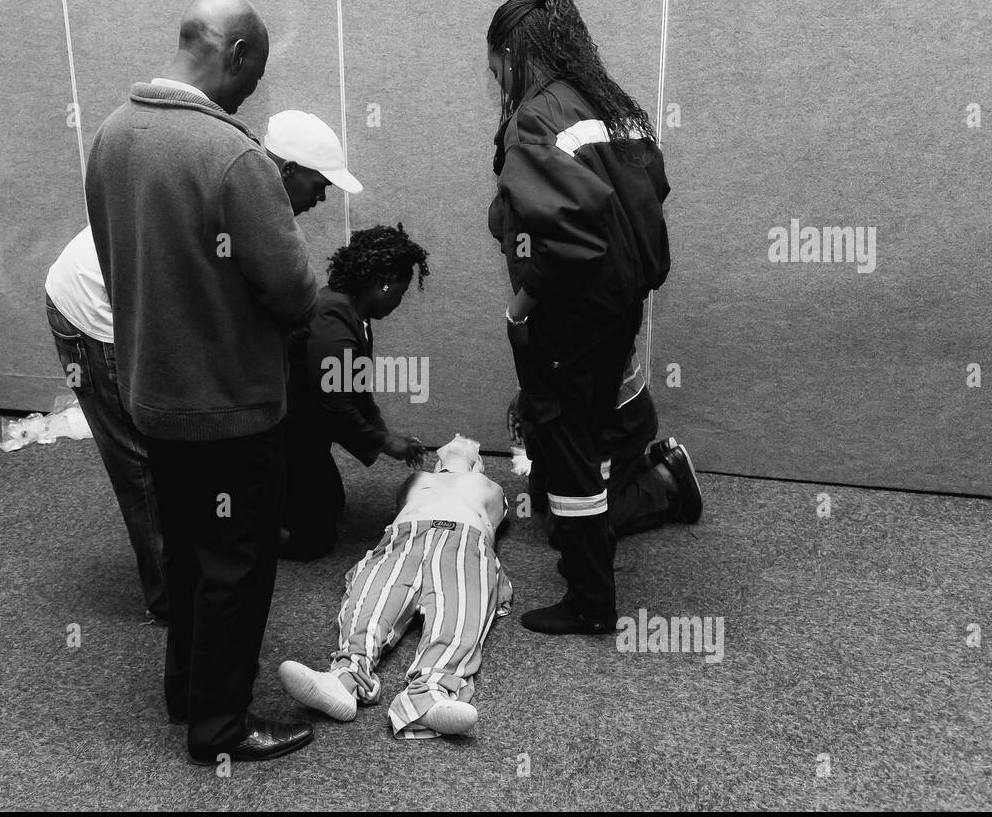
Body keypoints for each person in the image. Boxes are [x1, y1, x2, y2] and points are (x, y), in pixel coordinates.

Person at [85, 0, 321, 764]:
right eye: (254, 76)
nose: (253, 93)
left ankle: (186, 687)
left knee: (188, 551)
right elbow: (292, 291)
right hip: (231, 408)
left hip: (152, 395)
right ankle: (219, 726)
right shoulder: (232, 155)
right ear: (237, 53)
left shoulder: (113, 136)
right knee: (237, 568)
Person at [44, 109, 358, 626]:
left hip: (137, 302)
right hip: (93, 313)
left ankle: (193, 586)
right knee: (143, 461)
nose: (321, 198)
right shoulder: (241, 184)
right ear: (286, 171)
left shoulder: (243, 190)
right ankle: (173, 603)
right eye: (319, 184)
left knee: (178, 462)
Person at [486, 0, 671, 636]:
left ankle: (591, 602)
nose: (496, 83)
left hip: (570, 313)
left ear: (513, 56)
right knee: (588, 439)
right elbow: (656, 186)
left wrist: (521, 306)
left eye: (495, 68)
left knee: (565, 450)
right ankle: (605, 546)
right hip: (622, 305)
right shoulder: (615, 104)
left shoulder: (536, 119)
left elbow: (562, 238)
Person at [278, 435, 512, 737]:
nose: (459, 443)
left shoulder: (490, 486)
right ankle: (345, 677)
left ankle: (431, 693)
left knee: (459, 611)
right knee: (375, 595)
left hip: (464, 541)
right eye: (451, 446)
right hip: (405, 534)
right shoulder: (418, 478)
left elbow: (493, 521)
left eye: (469, 448)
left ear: (478, 465)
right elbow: (404, 503)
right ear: (437, 460)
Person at [280, 224, 430, 560]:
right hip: (285, 434)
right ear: (382, 284)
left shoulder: (354, 314)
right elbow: (335, 406)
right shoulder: (333, 319)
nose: (398, 302)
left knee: (332, 506)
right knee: (314, 542)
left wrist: (383, 433)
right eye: (399, 293)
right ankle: (252, 534)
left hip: (307, 430)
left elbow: (358, 390)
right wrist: (385, 443)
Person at [511, 344, 703, 542]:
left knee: (567, 529)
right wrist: (524, 396)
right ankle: (643, 465)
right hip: (570, 413)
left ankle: (664, 482)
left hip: (611, 425)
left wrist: (533, 404)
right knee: (541, 497)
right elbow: (534, 346)